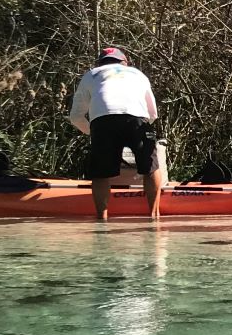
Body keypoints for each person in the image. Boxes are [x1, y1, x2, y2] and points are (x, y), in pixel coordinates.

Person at [68, 45, 164, 220]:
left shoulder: (92, 74)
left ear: (100, 62)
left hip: (103, 122)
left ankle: (101, 218)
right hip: (137, 119)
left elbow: (75, 116)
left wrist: (93, 133)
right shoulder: (138, 74)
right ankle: (153, 216)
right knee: (150, 167)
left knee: (100, 173)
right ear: (124, 62)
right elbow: (153, 114)